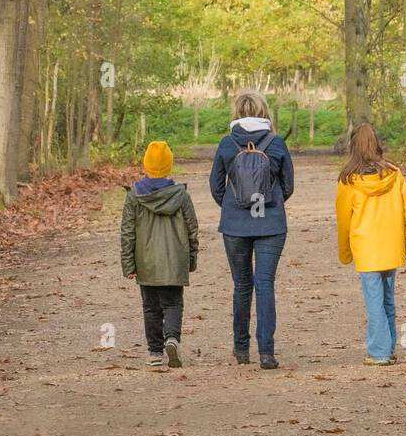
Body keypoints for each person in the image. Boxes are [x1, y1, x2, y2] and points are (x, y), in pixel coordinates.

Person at [210, 90, 294, 369]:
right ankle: (267, 353)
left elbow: (216, 187)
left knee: (242, 285)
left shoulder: (226, 144)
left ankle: (241, 348)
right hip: (270, 224)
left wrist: (235, 206)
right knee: (265, 284)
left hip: (235, 224)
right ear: (263, 111)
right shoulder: (277, 143)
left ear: (236, 112)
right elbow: (289, 186)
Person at [335, 123, 406, 366]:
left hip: (367, 249)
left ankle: (379, 352)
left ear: (353, 146)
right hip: (391, 246)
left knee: (374, 301)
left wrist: (345, 253)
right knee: (387, 299)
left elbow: (344, 221)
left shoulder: (348, 180)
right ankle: (388, 347)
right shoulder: (394, 174)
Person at [120, 140, 199, 371]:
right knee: (173, 303)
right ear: (169, 166)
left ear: (146, 165)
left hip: (146, 263)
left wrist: (128, 264)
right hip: (174, 261)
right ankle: (172, 339)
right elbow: (192, 229)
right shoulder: (181, 195)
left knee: (151, 307)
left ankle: (154, 351)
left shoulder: (134, 196)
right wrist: (190, 260)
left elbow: (127, 232)